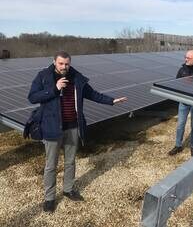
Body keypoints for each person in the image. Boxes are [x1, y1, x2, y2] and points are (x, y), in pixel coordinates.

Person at [28, 51, 127, 213]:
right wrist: (55, 88)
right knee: (51, 165)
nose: (64, 66)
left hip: (73, 127)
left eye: (66, 63)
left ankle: (68, 189)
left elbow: (92, 94)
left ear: (70, 63)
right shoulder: (43, 76)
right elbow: (32, 97)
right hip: (52, 127)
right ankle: (49, 198)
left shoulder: (77, 78)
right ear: (54, 62)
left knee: (70, 161)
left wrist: (112, 101)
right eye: (60, 63)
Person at [168, 50, 193, 157]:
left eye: (188, 58)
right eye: (185, 57)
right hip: (184, 102)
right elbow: (176, 84)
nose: (186, 59)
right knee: (180, 124)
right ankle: (178, 145)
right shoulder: (182, 70)